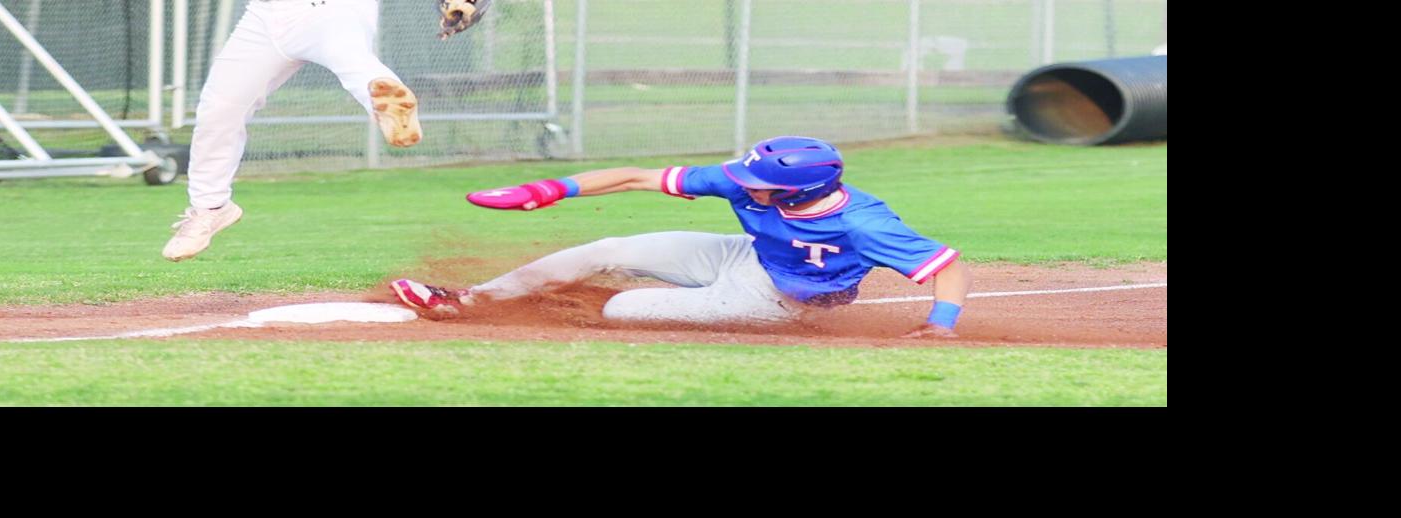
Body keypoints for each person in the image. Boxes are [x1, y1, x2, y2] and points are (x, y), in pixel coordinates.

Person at [390, 135, 972, 338]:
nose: (743, 184)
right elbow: (636, 177)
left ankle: (582, 297)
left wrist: (939, 326)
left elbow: (947, 264)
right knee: (607, 251)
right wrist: (548, 189)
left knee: (621, 310)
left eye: (758, 182)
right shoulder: (748, 183)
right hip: (746, 257)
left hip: (779, 302)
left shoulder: (864, 224)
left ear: (797, 191)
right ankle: (469, 301)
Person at [163, 0, 424, 262]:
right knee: (219, 108)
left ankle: (390, 112)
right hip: (265, 15)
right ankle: (211, 207)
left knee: (353, 59)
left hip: (332, 10)